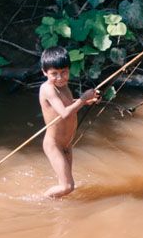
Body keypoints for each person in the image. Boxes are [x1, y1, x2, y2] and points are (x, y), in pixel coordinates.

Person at [37, 46, 100, 197]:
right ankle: (41, 200)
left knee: (66, 185)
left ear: (69, 69)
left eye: (64, 72)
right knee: (67, 187)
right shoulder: (48, 89)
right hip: (54, 145)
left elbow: (67, 104)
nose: (60, 77)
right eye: (54, 74)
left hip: (66, 144)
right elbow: (65, 113)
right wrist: (83, 98)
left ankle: (57, 206)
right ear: (45, 72)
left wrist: (86, 101)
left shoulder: (63, 87)